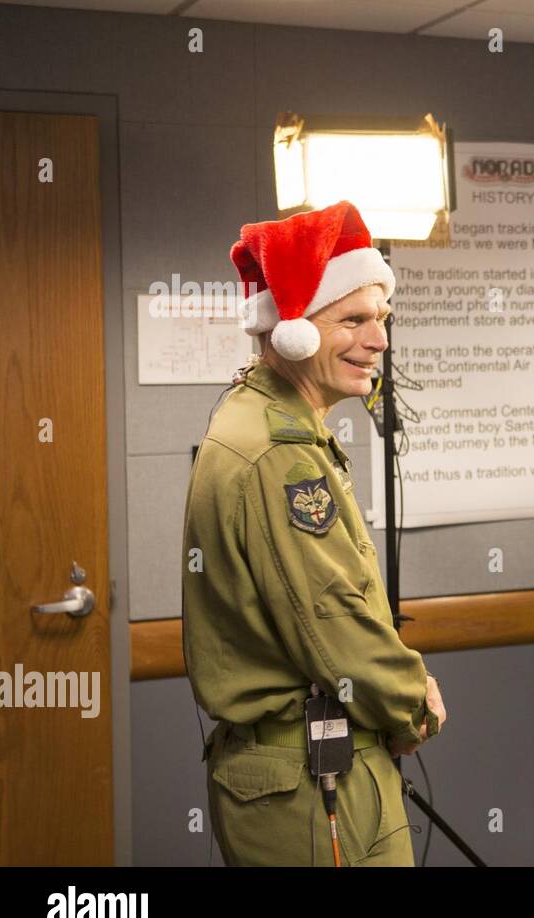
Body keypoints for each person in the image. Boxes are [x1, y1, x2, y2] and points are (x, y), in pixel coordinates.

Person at [182, 200, 447, 866]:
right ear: (292, 330)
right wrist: (412, 704)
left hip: (302, 766)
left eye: (381, 319)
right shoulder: (278, 452)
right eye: (352, 319)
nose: (379, 340)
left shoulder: (260, 421)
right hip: (311, 777)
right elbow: (330, 617)